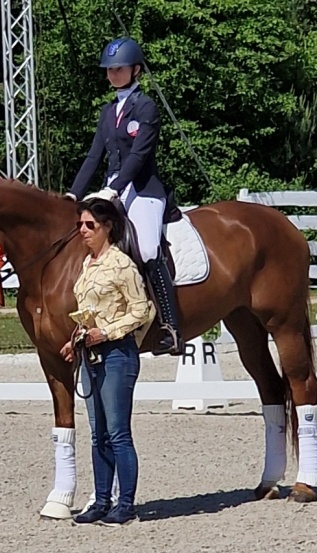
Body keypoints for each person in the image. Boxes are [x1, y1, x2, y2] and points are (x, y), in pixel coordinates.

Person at [65, 37, 183, 356]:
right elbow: (93, 157)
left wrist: (114, 189)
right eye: (110, 70)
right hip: (111, 190)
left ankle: (171, 327)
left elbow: (139, 155)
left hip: (143, 190)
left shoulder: (146, 107)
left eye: (119, 69)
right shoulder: (107, 112)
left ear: (135, 70)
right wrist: (71, 195)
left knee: (145, 248)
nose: (113, 74)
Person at [59, 198, 153, 526]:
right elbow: (87, 314)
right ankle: (101, 500)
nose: (83, 232)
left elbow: (142, 309)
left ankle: (125, 504)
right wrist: (76, 340)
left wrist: (107, 333)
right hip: (91, 355)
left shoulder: (122, 264)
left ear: (107, 227)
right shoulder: (87, 265)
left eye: (90, 226)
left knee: (118, 433)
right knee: (98, 434)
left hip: (117, 355)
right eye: (80, 226)